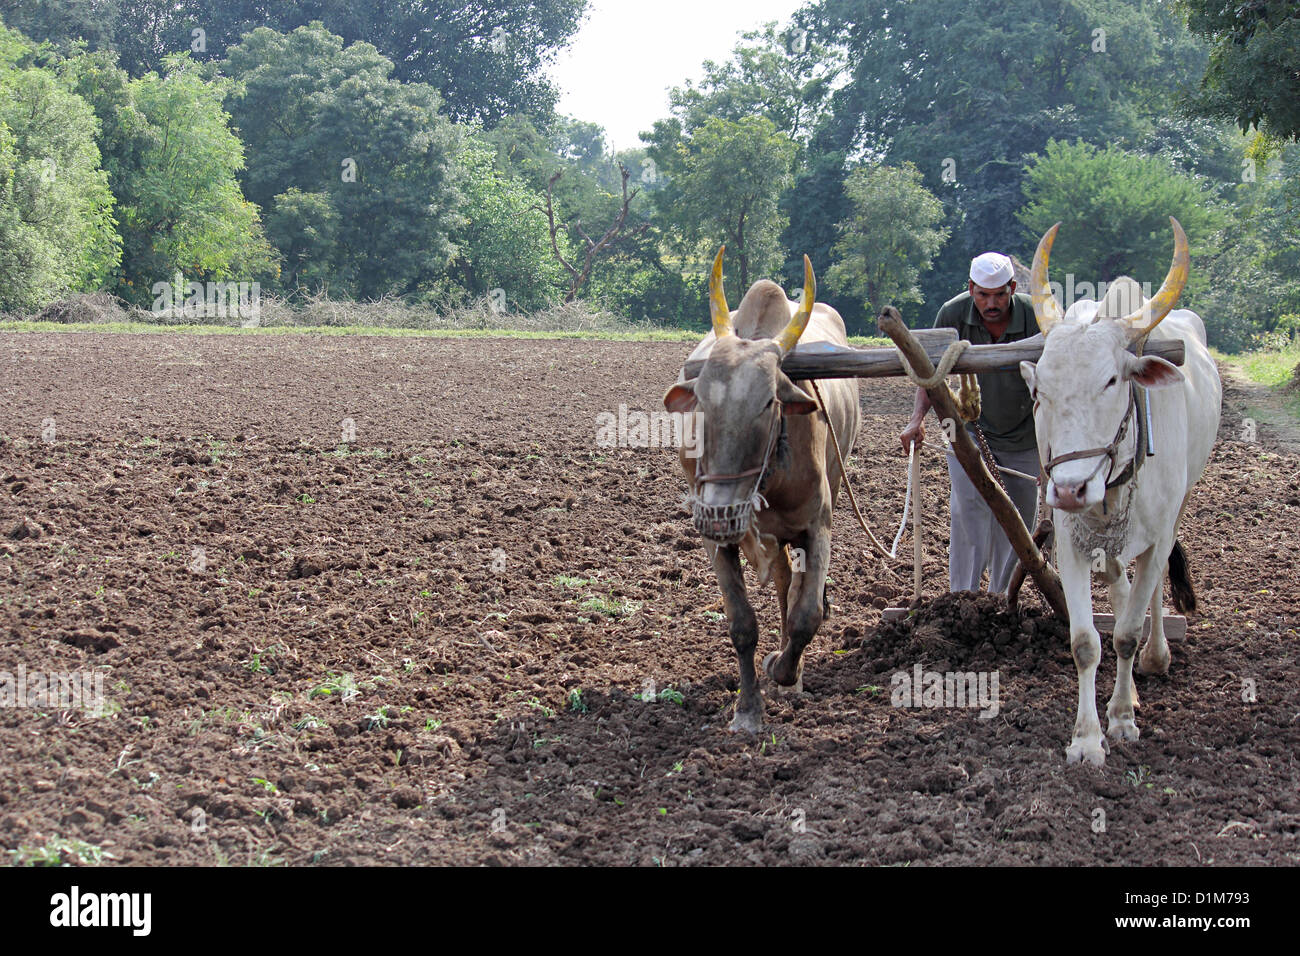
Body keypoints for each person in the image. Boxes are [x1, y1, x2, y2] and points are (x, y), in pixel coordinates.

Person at [899, 252, 1040, 595]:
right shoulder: (952, 314)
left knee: (1019, 519)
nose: (991, 304)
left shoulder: (1037, 317)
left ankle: (1004, 598)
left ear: (1013, 288)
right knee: (969, 513)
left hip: (1026, 435)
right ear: (971, 289)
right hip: (969, 433)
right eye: (983, 295)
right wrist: (916, 419)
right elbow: (928, 371)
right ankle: (962, 597)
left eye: (1000, 295)